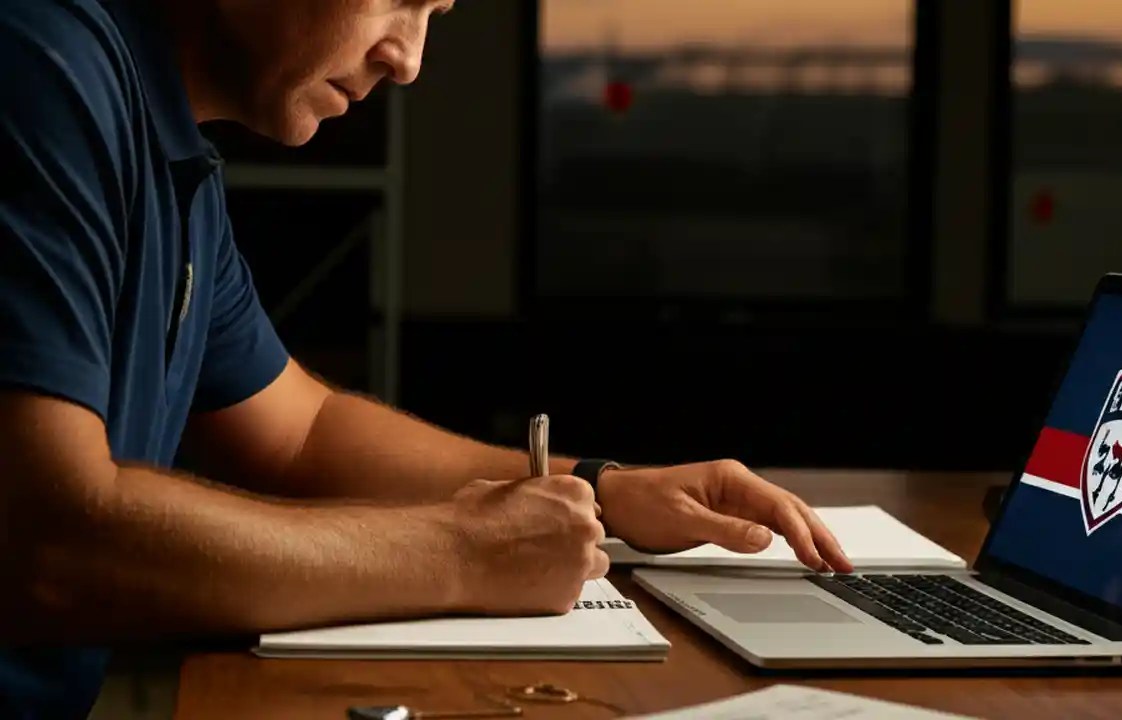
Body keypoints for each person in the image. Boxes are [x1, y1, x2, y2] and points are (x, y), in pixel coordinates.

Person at [0, 0, 853, 717]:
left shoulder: (165, 147)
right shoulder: (40, 67)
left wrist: (603, 490)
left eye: (433, 12)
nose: (406, 59)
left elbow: (302, 430)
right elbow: (48, 536)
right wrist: (460, 554)